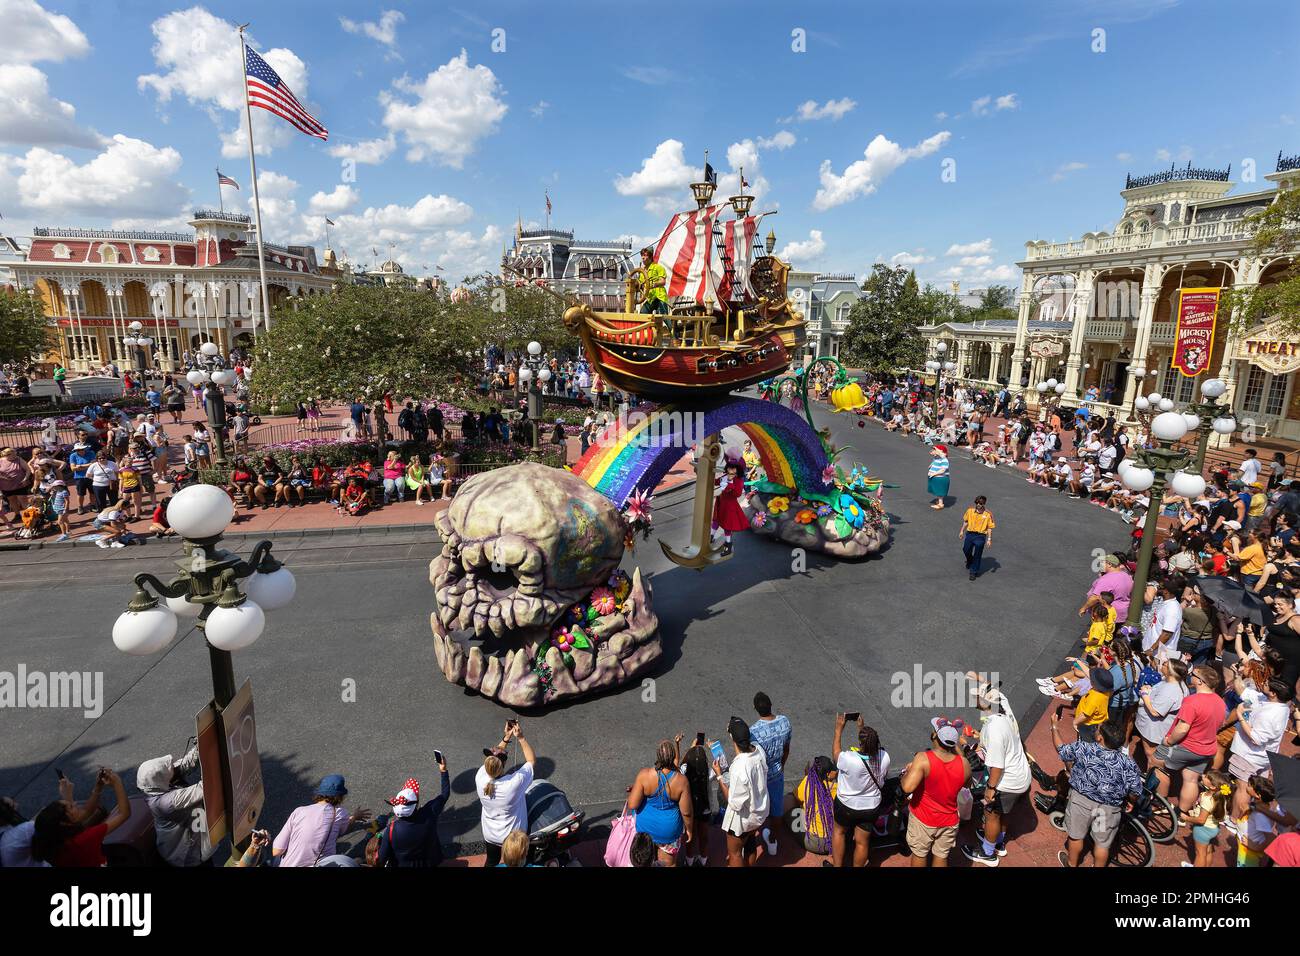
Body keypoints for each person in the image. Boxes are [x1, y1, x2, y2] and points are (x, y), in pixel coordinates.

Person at [1053, 714, 1144, 868]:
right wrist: (1131, 801)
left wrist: (1054, 727)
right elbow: (1135, 789)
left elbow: (1062, 750)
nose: (1096, 731)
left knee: (1076, 836)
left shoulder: (1085, 748)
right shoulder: (1128, 763)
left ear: (1101, 738)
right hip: (1108, 808)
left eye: (1098, 730)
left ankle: (1071, 864)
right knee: (1102, 844)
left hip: (1081, 802)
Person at [961, 674, 1031, 866]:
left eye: (977, 697)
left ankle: (988, 853)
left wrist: (990, 789)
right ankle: (999, 842)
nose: (974, 698)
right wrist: (980, 678)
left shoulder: (993, 729)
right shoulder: (1003, 707)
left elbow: (997, 766)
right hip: (1021, 776)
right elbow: (992, 688)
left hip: (1008, 781)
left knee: (992, 813)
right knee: (1004, 813)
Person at [1155, 664, 1225, 818]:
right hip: (1206, 749)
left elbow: (1182, 728)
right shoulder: (1220, 702)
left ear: (1200, 682)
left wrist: (1169, 741)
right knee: (1191, 779)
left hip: (1186, 746)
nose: (1190, 675)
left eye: (1194, 674)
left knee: (1159, 767)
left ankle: (1159, 803)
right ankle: (1182, 814)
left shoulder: (1192, 701)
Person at [901, 716, 970, 867]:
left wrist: (907, 772)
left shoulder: (923, 759)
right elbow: (967, 784)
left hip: (923, 819)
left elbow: (907, 787)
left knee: (919, 854)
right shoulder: (964, 764)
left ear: (935, 737)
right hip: (949, 820)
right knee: (941, 857)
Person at [33, 767, 133, 867]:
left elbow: (85, 812)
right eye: (71, 806)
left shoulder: (52, 843)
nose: (75, 804)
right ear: (64, 823)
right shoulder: (84, 839)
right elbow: (124, 814)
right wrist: (117, 782)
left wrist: (98, 787)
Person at [271, 774, 372, 866]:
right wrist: (354, 817)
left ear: (320, 793)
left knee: (275, 860)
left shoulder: (298, 811)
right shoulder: (339, 814)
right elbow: (344, 829)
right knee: (353, 861)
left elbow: (276, 851)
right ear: (340, 797)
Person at [831, 714, 889, 867]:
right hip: (870, 807)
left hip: (846, 806)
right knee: (862, 842)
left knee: (839, 832)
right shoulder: (884, 757)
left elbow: (836, 754)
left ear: (860, 743)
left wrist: (838, 730)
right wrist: (862, 728)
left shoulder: (849, 758)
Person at [476, 721, 536, 866]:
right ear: (503, 766)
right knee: (522, 861)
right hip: (513, 837)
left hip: (490, 833)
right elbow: (531, 761)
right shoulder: (513, 784)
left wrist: (506, 738)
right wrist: (520, 737)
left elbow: (494, 758)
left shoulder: (480, 777)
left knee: (491, 860)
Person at [136, 748, 208, 867]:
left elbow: (185, 764)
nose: (171, 769)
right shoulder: (166, 803)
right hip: (186, 855)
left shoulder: (155, 784)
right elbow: (204, 787)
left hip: (175, 846)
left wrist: (200, 744)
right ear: (160, 778)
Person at [377, 755, 452, 868]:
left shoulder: (391, 830)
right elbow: (445, 794)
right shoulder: (429, 813)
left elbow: (382, 858)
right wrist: (443, 770)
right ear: (415, 805)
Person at [713, 716, 768, 867]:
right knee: (750, 843)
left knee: (735, 853)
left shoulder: (739, 767)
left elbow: (733, 802)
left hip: (742, 820)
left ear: (731, 737)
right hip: (758, 814)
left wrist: (719, 775)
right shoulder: (759, 751)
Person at [627, 738, 692, 866]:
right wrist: (689, 830)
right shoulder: (681, 781)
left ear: (658, 756)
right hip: (669, 832)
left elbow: (632, 804)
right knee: (670, 864)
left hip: (645, 831)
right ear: (673, 756)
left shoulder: (644, 775)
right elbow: (686, 812)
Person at [747, 692, 791, 855]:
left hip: (760, 777)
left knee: (755, 811)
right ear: (771, 704)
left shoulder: (753, 732)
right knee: (777, 810)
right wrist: (781, 766)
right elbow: (786, 749)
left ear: (755, 708)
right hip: (777, 773)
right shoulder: (785, 722)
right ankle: (773, 842)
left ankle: (749, 842)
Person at [1181, 770, 1233, 868]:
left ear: (1213, 787)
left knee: (1200, 854)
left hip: (1202, 829)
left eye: (1207, 777)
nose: (1203, 775)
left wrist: (1186, 817)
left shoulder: (1207, 800)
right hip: (1213, 828)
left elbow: (1201, 820)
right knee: (1208, 851)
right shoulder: (1220, 797)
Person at [795, 756, 837, 857]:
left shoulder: (808, 781)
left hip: (812, 843)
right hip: (835, 843)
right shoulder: (838, 788)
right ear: (828, 774)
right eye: (833, 769)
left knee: (792, 810)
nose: (836, 771)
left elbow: (797, 798)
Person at [712, 456, 748, 556]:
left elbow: (737, 494)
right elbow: (715, 482)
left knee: (727, 525)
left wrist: (730, 484)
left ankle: (728, 544)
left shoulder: (739, 481)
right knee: (716, 519)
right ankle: (711, 536)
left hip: (730, 505)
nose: (730, 470)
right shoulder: (724, 476)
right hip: (721, 502)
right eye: (729, 467)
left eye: (733, 468)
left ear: (737, 470)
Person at [958, 495, 994, 580]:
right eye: (977, 502)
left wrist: (989, 539)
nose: (978, 504)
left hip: (980, 536)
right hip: (970, 534)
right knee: (966, 549)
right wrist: (962, 531)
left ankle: (973, 571)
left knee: (978, 552)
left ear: (984, 504)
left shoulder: (988, 514)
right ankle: (970, 560)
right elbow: (966, 522)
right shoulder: (970, 511)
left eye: (980, 503)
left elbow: (989, 527)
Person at [631, 246, 668, 315]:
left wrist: (654, 285)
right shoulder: (642, 272)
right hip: (650, 298)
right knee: (643, 313)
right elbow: (640, 285)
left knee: (663, 317)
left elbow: (663, 281)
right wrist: (635, 285)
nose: (642, 257)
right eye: (642, 255)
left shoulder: (658, 267)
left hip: (660, 297)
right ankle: (647, 326)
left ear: (650, 257)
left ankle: (669, 326)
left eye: (645, 255)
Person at [927, 444, 950, 510]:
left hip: (940, 478)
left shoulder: (944, 460)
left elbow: (943, 470)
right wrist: (930, 466)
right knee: (936, 490)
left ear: (941, 451)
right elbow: (934, 461)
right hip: (935, 478)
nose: (934, 450)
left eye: (935, 449)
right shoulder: (937, 458)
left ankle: (941, 504)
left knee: (940, 491)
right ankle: (939, 500)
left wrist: (934, 474)